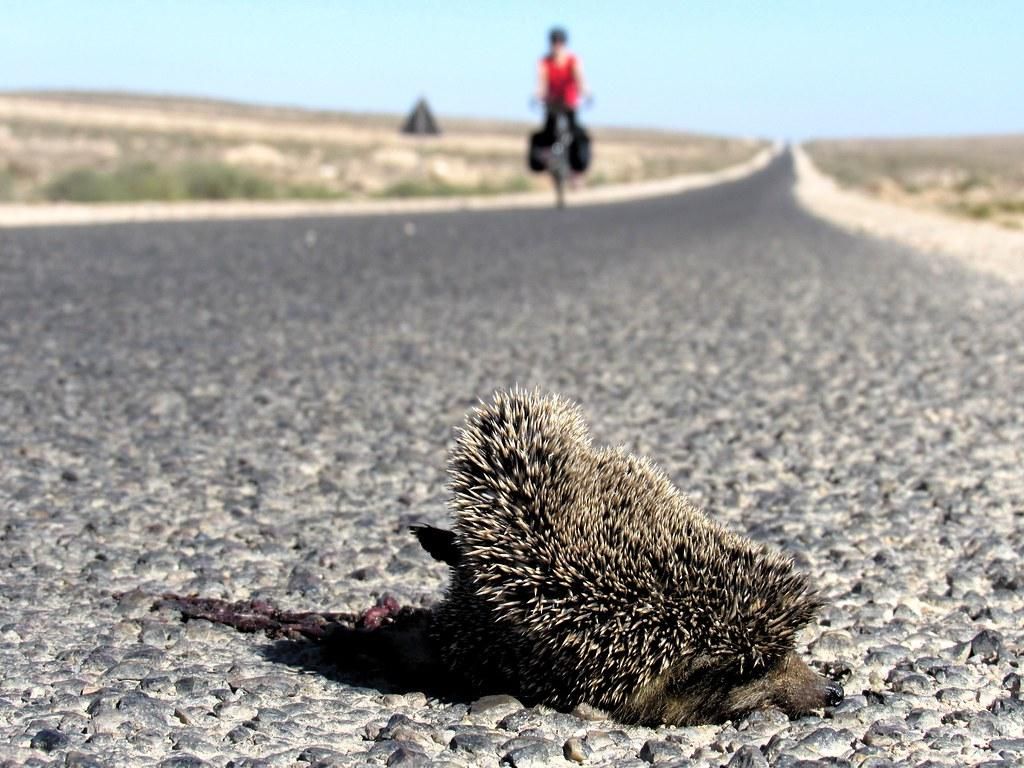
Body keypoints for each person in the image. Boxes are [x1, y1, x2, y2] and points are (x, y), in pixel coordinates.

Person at [529, 27, 591, 175]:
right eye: (554, 42)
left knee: (575, 132)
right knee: (547, 132)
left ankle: (576, 169)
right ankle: (546, 161)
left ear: (564, 43)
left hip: (569, 102)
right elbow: (541, 82)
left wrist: (585, 92)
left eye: (560, 42)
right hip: (552, 103)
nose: (557, 45)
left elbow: (580, 78)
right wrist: (537, 94)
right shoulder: (544, 62)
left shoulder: (573, 61)